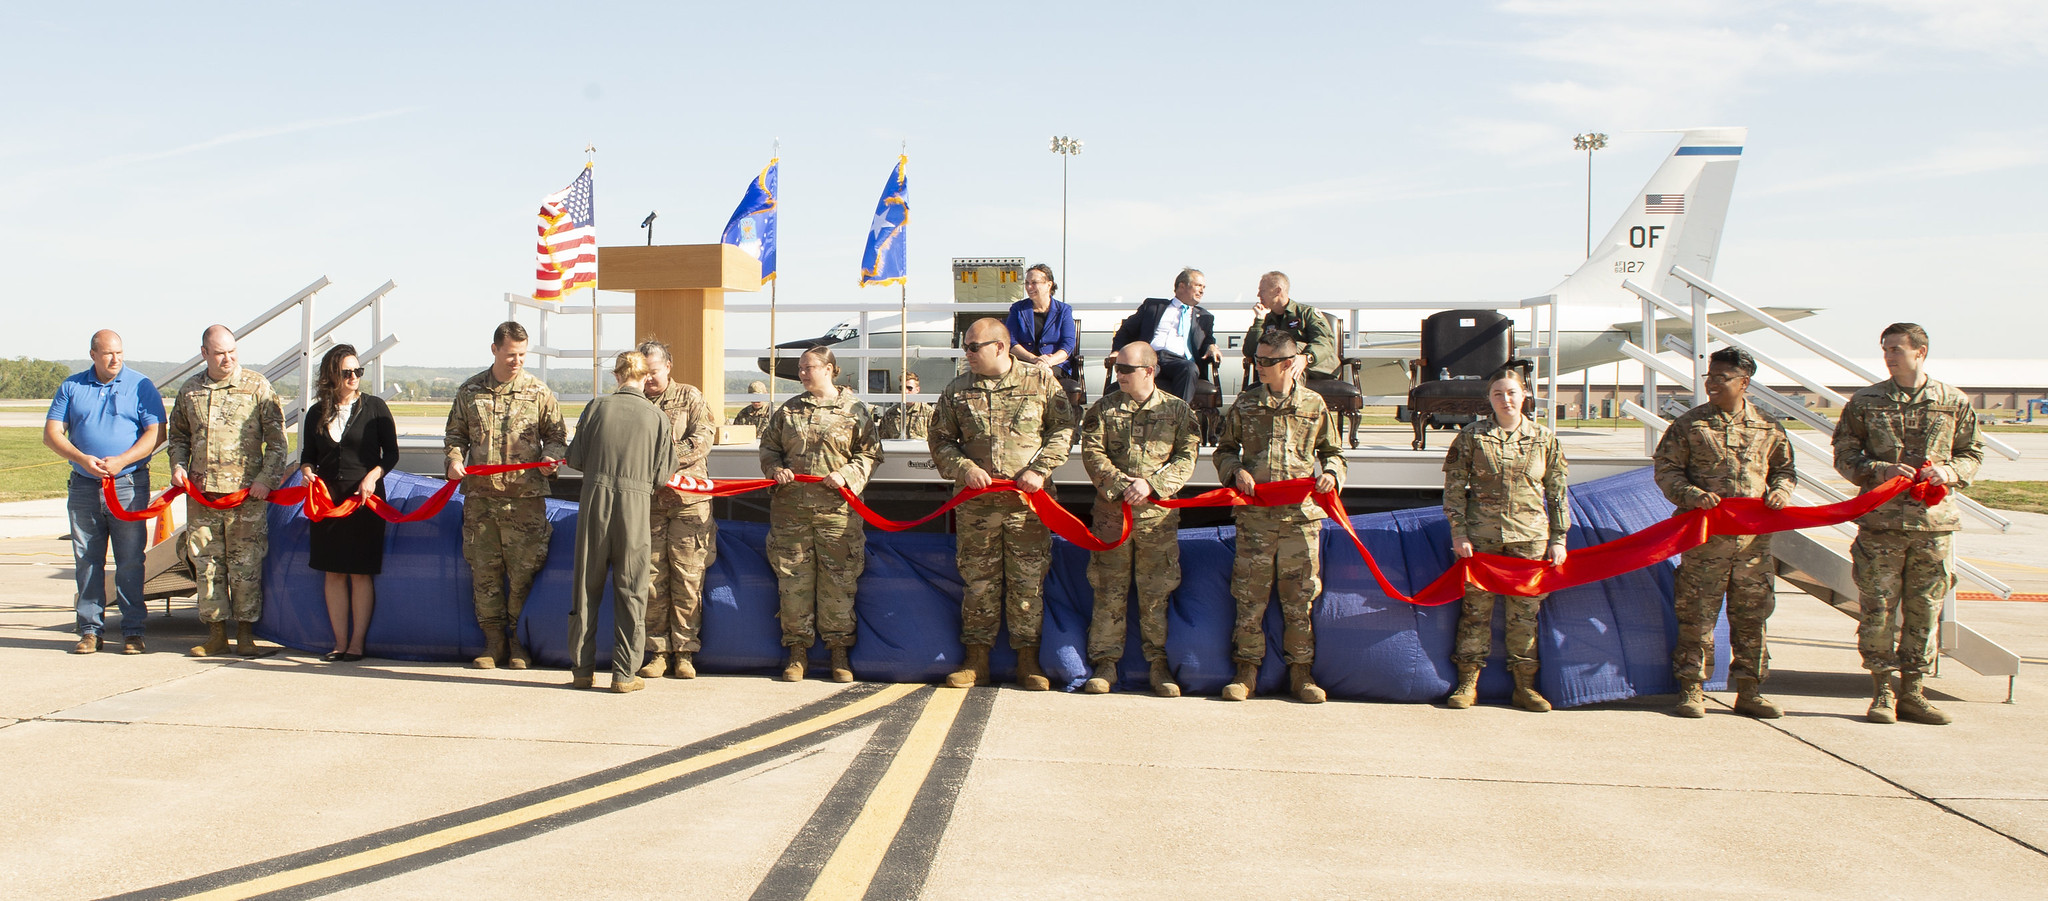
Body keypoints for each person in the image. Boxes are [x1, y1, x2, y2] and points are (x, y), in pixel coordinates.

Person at [1833, 322, 1983, 726]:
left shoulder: (1952, 401)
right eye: (1886, 349)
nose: (1889, 355)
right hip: (1881, 526)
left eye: (1897, 348)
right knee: (1878, 609)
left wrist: (1949, 474)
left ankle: (1913, 691)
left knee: (1924, 611)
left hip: (1933, 526)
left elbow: (1971, 452)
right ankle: (1882, 690)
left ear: (1921, 352)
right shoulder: (1866, 402)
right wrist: (1879, 470)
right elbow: (1845, 454)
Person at [930, 317, 1076, 690]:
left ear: (1000, 347)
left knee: (1028, 583)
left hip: (1027, 505)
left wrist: (1041, 469)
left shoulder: (1040, 380)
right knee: (978, 583)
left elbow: (1063, 428)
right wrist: (963, 468)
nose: (967, 354)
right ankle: (976, 659)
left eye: (973, 347)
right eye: (965, 347)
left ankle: (1028, 660)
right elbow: (941, 440)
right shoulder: (958, 389)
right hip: (978, 506)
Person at [1654, 347, 1796, 718]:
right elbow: (1666, 469)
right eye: (1709, 377)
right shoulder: (1691, 426)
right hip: (1706, 543)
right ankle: (1692, 688)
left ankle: (1750, 690)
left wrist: (1781, 491)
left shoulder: (1768, 427)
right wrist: (1691, 495)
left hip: (1753, 547)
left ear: (1744, 382)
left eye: (1721, 378)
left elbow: (1784, 470)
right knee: (1697, 615)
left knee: (1752, 617)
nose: (1712, 384)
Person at [1214, 329, 1345, 703]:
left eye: (1267, 362)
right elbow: (1224, 449)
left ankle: (1301, 673)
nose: (1259, 367)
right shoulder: (1246, 404)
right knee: (1249, 597)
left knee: (1299, 598)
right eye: (1256, 359)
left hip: (1299, 520)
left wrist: (1332, 474)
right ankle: (1246, 671)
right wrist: (1234, 471)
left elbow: (1334, 452)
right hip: (1256, 518)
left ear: (1289, 364)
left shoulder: (1314, 405)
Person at [1441, 366, 1569, 713]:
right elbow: (1453, 489)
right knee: (1475, 613)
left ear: (1525, 395)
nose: (1506, 399)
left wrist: (1559, 538)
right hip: (1481, 541)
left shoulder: (1544, 438)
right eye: (1498, 393)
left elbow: (1557, 493)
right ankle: (1468, 681)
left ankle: (1524, 686)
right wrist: (1459, 532)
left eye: (1512, 392)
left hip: (1529, 539)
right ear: (1489, 400)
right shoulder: (1472, 436)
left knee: (1524, 615)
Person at [1078, 342, 1201, 696]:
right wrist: (1119, 485)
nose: (1119, 375)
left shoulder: (1178, 411)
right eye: (1117, 368)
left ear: (1149, 370)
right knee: (1108, 589)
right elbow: (1092, 453)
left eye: (1126, 370)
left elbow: (1186, 457)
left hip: (1156, 519)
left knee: (1156, 592)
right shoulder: (1102, 410)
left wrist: (1153, 485)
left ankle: (1158, 664)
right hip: (1112, 517)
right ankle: (1105, 664)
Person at [444, 321, 567, 670]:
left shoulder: (538, 392)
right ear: (495, 349)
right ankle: (493, 641)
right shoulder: (470, 392)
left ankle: (518, 641)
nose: (517, 362)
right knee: (485, 572)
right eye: (511, 354)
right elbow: (455, 436)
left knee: (523, 573)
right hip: (481, 501)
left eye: (523, 355)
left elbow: (557, 435)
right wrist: (453, 460)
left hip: (525, 501)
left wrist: (549, 458)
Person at [761, 346, 883, 683]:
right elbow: (769, 448)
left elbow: (871, 454)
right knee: (793, 582)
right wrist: (775, 469)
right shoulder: (788, 411)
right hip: (792, 513)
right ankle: (797, 652)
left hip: (836, 514)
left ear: (830, 369)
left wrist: (847, 475)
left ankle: (839, 651)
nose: (802, 373)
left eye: (808, 367)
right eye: (800, 368)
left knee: (839, 583)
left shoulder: (855, 410)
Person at [168, 325, 288, 657]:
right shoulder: (190, 391)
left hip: (246, 498)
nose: (227, 358)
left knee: (246, 567)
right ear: (204, 353)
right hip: (203, 496)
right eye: (220, 353)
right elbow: (177, 436)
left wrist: (267, 479)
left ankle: (247, 636)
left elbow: (278, 441)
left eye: (232, 351)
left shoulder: (256, 386)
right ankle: (216, 635)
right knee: (207, 566)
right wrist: (178, 466)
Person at [44, 329, 165, 655]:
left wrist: (122, 460)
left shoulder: (140, 386)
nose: (116, 359)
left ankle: (133, 631)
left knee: (129, 561)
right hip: (84, 485)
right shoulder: (72, 386)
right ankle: (89, 630)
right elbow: (52, 433)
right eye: (109, 354)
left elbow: (157, 432)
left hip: (127, 485)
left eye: (120, 353)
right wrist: (81, 458)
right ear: (93, 355)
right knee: (87, 561)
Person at [566, 352, 676, 693]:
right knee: (632, 589)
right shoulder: (657, 417)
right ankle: (625, 674)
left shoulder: (596, 407)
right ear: (645, 378)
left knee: (586, 586)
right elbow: (662, 475)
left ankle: (582, 670)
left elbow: (576, 458)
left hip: (595, 501)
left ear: (616, 375)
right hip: (635, 504)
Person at [298, 345, 399, 663]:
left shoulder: (376, 407)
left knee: (359, 573)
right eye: (347, 372)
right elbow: (308, 456)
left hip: (365, 500)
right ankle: (339, 643)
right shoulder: (316, 412)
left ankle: (357, 644)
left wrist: (372, 476)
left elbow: (391, 454)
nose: (354, 377)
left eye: (358, 371)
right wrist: (306, 471)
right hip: (328, 502)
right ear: (332, 375)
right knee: (333, 573)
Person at [638, 339, 718, 680]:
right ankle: (657, 651)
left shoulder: (690, 397)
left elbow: (701, 441)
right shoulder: (634, 401)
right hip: (648, 505)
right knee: (652, 579)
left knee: (688, 579)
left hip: (688, 505)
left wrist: (657, 463)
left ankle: (685, 652)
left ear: (668, 367)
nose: (649, 380)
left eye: (653, 372)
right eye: (643, 373)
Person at [1110, 268, 1220, 402]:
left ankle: (1179, 416)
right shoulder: (1153, 306)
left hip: (1179, 362)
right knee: (1135, 369)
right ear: (1182, 286)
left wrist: (1211, 347)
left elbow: (1208, 340)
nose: (1202, 291)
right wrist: (1117, 351)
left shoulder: (1205, 317)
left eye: (1204, 287)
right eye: (1198, 285)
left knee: (1190, 369)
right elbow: (1125, 331)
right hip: (1149, 357)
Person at [1242, 271, 1340, 381]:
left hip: (1318, 366)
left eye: (1262, 291)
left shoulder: (1306, 313)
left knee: (1290, 348)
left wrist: (1306, 358)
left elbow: (1325, 342)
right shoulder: (1266, 319)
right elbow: (1250, 351)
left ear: (1278, 291)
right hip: (1287, 369)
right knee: (1286, 361)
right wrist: (1259, 320)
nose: (1258, 295)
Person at [1004, 263, 1080, 384]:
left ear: (1049, 285)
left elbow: (1068, 344)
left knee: (1043, 375)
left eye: (1034, 283)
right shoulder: (1017, 309)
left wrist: (1048, 361)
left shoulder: (1063, 310)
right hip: (1024, 362)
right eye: (1027, 283)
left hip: (1054, 363)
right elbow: (1010, 341)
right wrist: (1034, 359)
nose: (1029, 287)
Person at [879, 372, 933, 440]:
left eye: (909, 388)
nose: (905, 391)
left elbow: (937, 439)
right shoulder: (890, 414)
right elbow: (882, 439)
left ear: (917, 390)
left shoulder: (928, 413)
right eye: (902, 388)